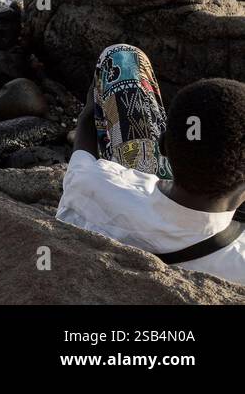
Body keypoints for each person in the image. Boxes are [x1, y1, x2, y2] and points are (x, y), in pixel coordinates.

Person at [57, 44, 245, 285]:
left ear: (163, 145)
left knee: (122, 56)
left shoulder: (92, 184)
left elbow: (84, 142)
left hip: (134, 206)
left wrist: (89, 112)